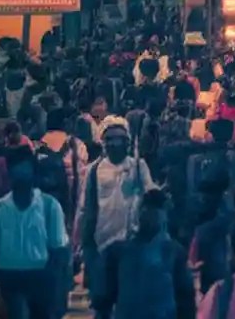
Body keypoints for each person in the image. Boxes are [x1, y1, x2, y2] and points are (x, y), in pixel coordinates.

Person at [75, 116, 157, 319]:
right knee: (102, 303)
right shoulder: (94, 170)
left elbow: (150, 192)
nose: (114, 144)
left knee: (128, 303)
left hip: (131, 245)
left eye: (119, 139)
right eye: (109, 139)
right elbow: (84, 208)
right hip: (102, 245)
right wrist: (77, 243)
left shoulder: (138, 166)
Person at [0, 147, 69, 319]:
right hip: (7, 278)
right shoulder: (0, 208)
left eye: (24, 170)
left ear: (33, 172)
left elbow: (58, 250)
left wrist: (55, 287)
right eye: (16, 170)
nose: (20, 176)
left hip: (40, 277)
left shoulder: (50, 206)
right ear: (9, 174)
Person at [95, 188, 195, 319]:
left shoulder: (174, 252)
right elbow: (186, 301)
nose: (148, 214)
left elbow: (104, 301)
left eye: (153, 210)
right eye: (146, 210)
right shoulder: (118, 252)